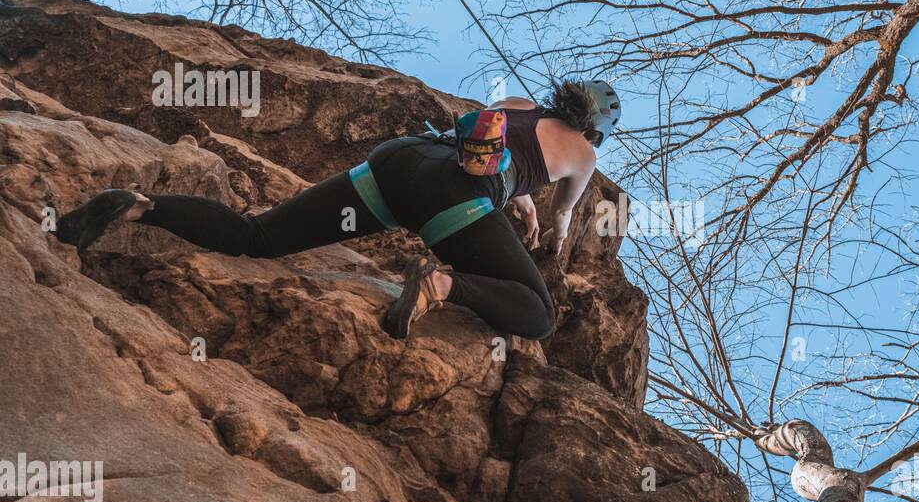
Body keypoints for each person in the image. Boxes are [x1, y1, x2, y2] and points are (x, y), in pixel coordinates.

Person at [55, 79, 622, 341]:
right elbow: (562, 219)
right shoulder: (586, 153)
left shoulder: (519, 104)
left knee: (257, 236)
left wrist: (516, 190)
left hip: (401, 162)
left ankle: (137, 207)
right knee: (537, 314)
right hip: (454, 199)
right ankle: (443, 286)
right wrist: (537, 219)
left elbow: (496, 148)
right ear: (594, 128)